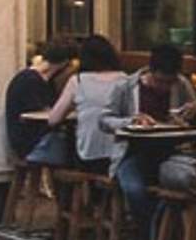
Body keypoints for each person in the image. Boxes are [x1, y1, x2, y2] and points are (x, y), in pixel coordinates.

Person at [109, 43, 196, 240]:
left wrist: (190, 116)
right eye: (160, 81)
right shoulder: (127, 87)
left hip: (170, 154)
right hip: (132, 152)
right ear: (150, 71)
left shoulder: (181, 84)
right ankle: (150, 239)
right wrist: (131, 121)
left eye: (169, 83)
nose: (164, 87)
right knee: (134, 190)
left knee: (186, 189)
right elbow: (105, 119)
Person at [39, 34, 130, 171]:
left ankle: (64, 190)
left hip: (89, 155)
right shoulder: (126, 80)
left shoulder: (78, 81)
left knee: (64, 147)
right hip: (121, 154)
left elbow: (54, 119)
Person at [2, 37, 73, 163]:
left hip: (32, 141)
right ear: (65, 63)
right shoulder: (32, 81)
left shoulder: (34, 78)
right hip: (34, 145)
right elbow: (48, 115)